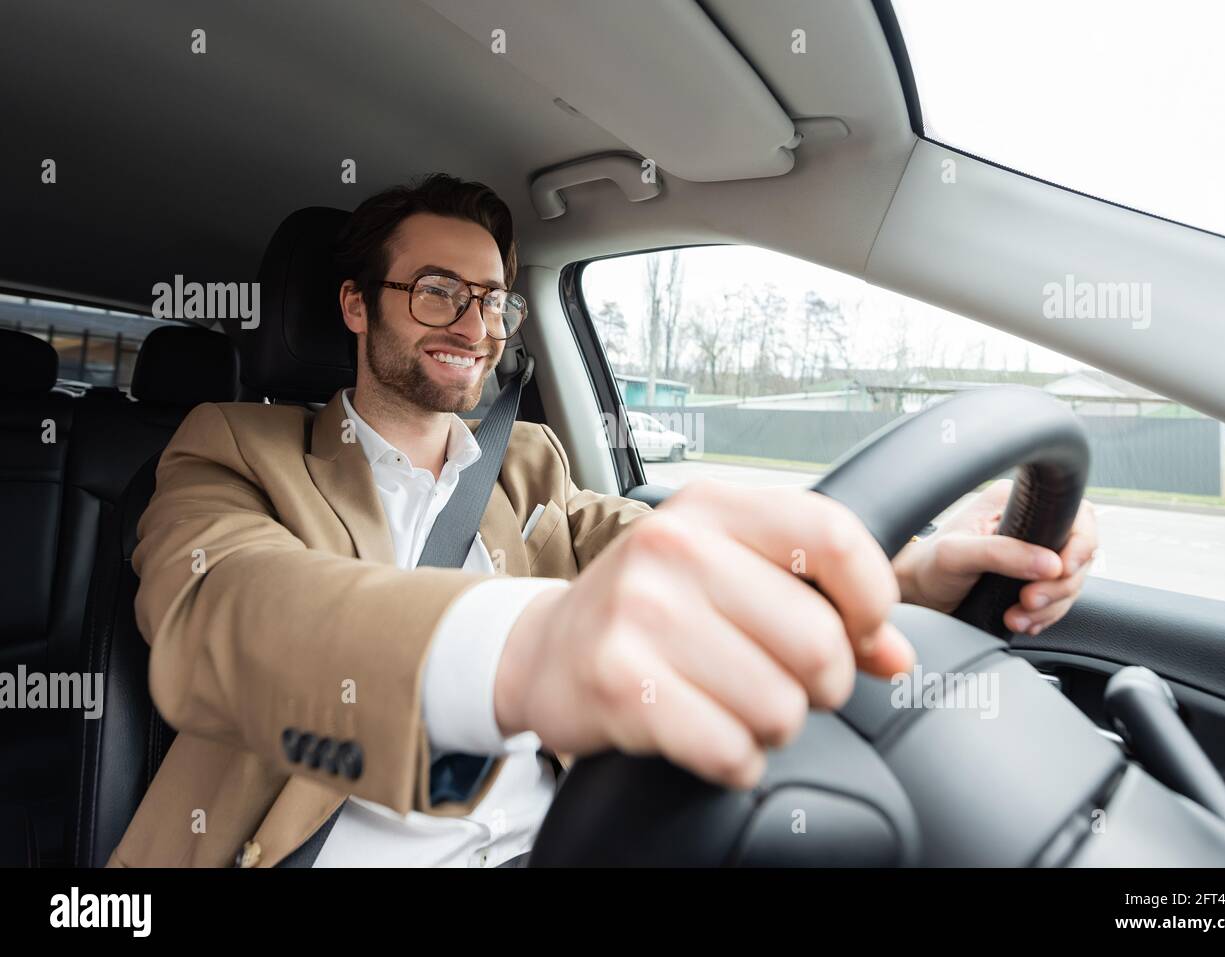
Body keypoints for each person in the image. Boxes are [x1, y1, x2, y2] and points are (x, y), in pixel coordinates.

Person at [109, 173, 1097, 867]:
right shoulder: (235, 445)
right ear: (357, 308)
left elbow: (661, 553)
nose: (474, 326)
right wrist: (530, 648)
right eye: (438, 292)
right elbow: (219, 612)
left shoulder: (528, 464)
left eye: (492, 301)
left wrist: (915, 571)